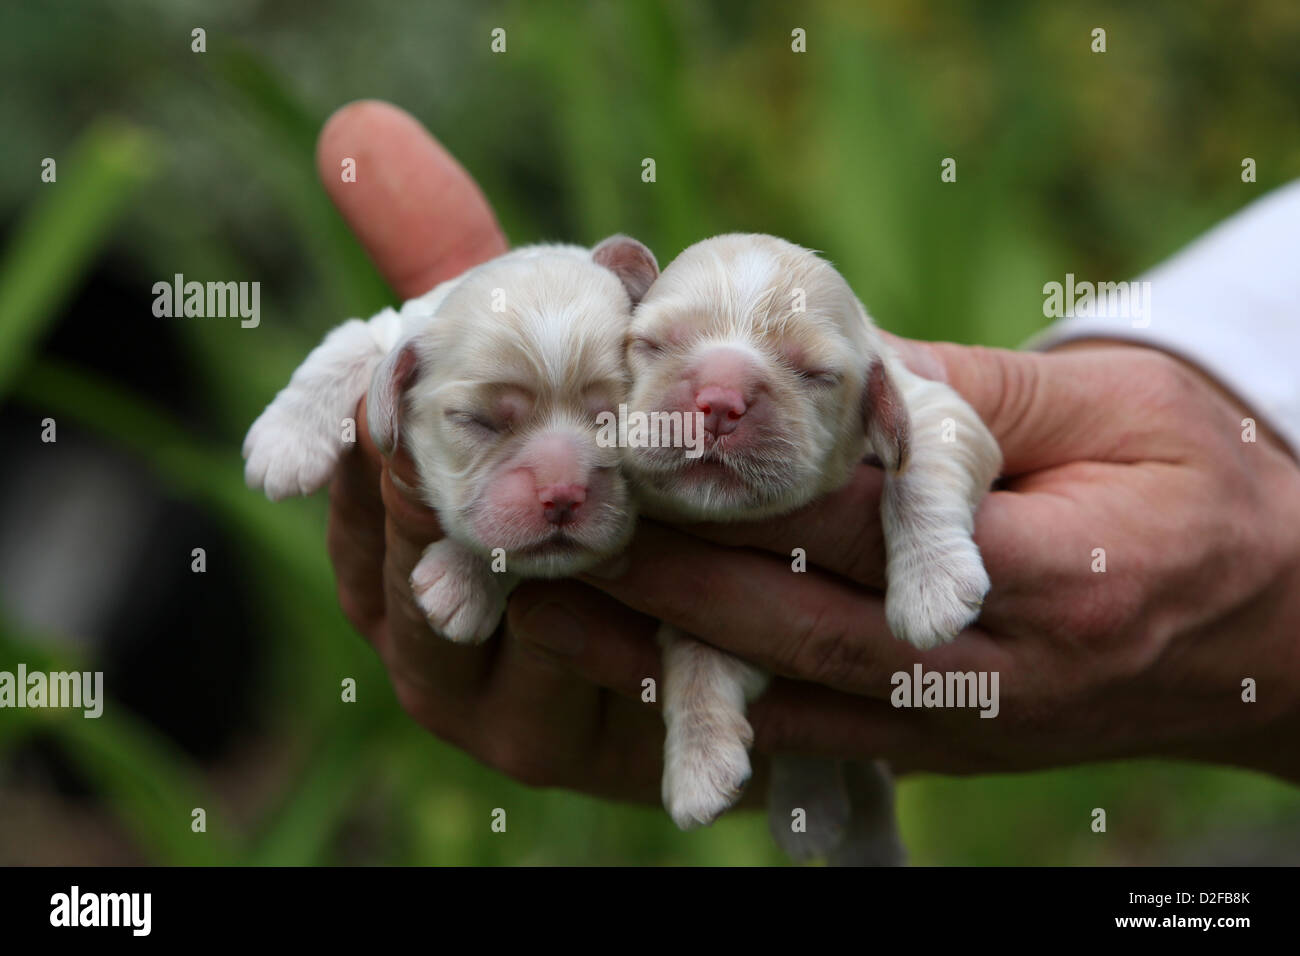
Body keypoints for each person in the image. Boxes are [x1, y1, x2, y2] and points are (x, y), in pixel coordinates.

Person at [319, 100, 1300, 808]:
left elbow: (945, 431)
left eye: (809, 375)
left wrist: (928, 532)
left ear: (878, 400)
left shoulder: (903, 398)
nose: (717, 404)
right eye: (655, 350)